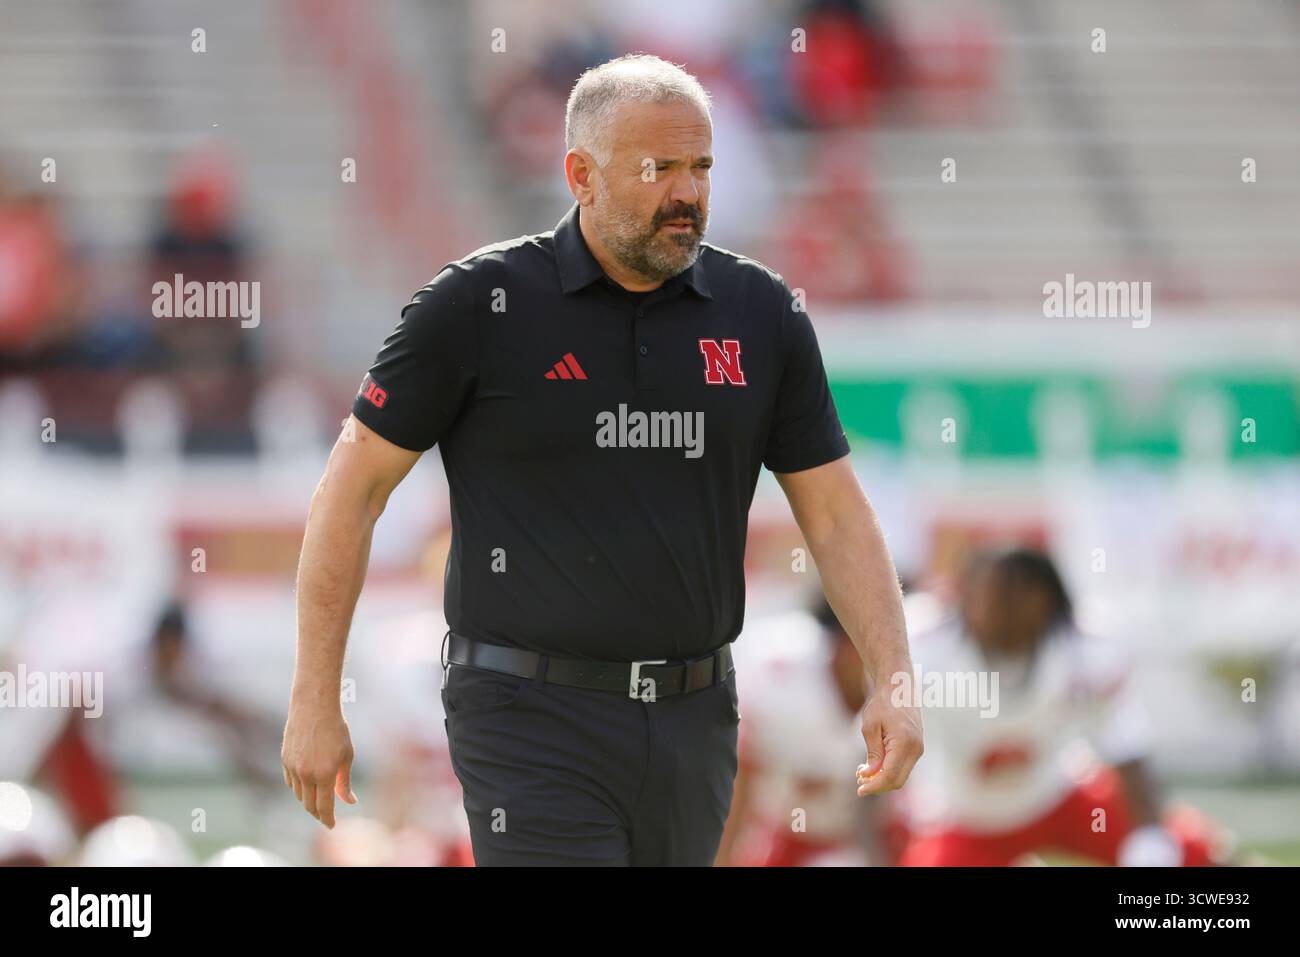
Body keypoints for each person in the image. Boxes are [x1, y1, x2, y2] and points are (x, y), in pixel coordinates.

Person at [282, 54, 920, 866]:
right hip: (527, 713)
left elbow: (833, 513)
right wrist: (313, 695)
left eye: (701, 167)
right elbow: (352, 488)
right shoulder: (477, 305)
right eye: (659, 169)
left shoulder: (763, 314)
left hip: (697, 717)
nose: (687, 193)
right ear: (580, 174)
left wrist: (893, 677)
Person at [896, 547, 1231, 866]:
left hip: (1057, 794)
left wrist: (1149, 837)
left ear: (1042, 601)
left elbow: (1126, 744)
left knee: (1195, 853)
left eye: (1004, 593)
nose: (985, 605)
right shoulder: (922, 649)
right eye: (977, 591)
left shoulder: (1084, 649)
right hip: (965, 817)